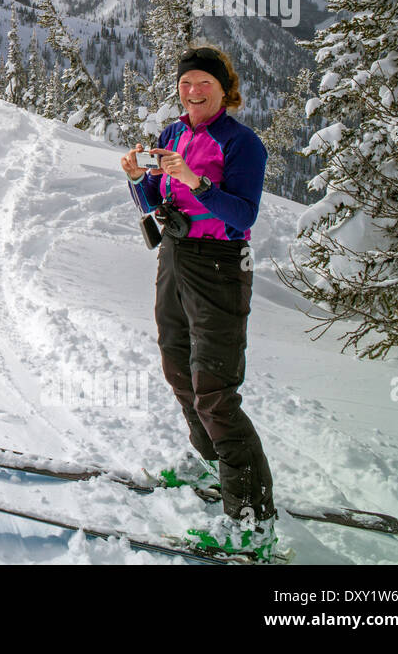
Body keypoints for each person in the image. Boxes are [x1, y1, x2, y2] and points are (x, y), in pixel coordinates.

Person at [120, 44, 277, 560]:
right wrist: (139, 181)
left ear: (222, 88)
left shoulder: (242, 143)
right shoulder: (172, 133)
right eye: (186, 83)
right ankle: (211, 461)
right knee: (177, 369)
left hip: (219, 266)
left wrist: (196, 179)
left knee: (215, 390)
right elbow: (157, 205)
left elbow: (243, 215)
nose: (192, 91)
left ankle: (253, 526)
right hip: (175, 255)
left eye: (202, 83)